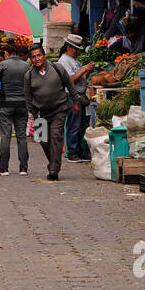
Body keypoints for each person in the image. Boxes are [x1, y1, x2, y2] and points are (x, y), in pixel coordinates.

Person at [24, 44, 73, 181]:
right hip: (40, 112)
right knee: (43, 139)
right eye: (33, 57)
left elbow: (70, 85)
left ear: (44, 55)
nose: (37, 59)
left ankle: (54, 170)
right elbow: (28, 97)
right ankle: (53, 162)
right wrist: (33, 112)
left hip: (59, 108)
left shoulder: (57, 68)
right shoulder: (28, 76)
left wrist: (76, 102)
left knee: (56, 136)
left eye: (39, 55)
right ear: (31, 60)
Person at [0, 42, 31, 176]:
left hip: (5, 104)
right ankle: (23, 168)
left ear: (7, 53)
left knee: (6, 136)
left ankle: (3, 168)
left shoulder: (3, 65)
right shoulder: (26, 66)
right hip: (22, 105)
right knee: (21, 136)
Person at [57, 35, 96, 164]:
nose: (78, 51)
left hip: (79, 96)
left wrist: (86, 72)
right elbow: (70, 79)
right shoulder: (64, 61)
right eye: (76, 49)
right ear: (69, 47)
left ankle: (79, 151)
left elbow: (79, 77)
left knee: (81, 125)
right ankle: (72, 153)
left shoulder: (74, 60)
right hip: (72, 97)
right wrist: (84, 69)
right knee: (74, 125)